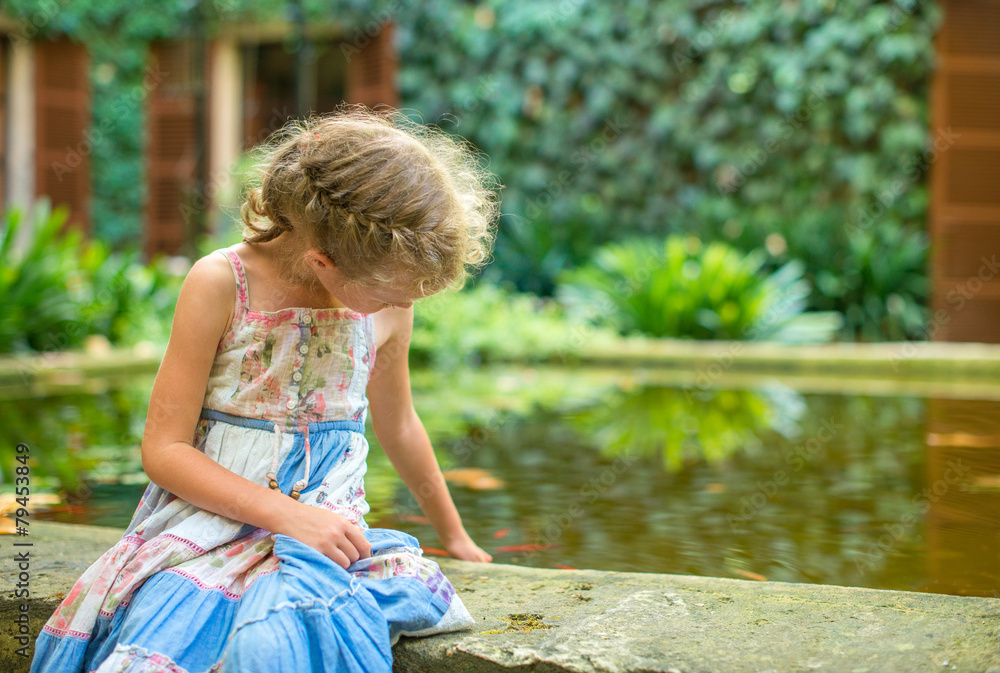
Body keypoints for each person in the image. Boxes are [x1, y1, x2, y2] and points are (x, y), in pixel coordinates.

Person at [30, 105, 501, 673]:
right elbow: (164, 450)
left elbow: (399, 424)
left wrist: (455, 535)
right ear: (322, 261)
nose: (402, 307)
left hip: (326, 530)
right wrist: (286, 516)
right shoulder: (221, 284)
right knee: (190, 633)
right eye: (392, 295)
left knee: (342, 609)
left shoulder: (387, 313)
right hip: (210, 523)